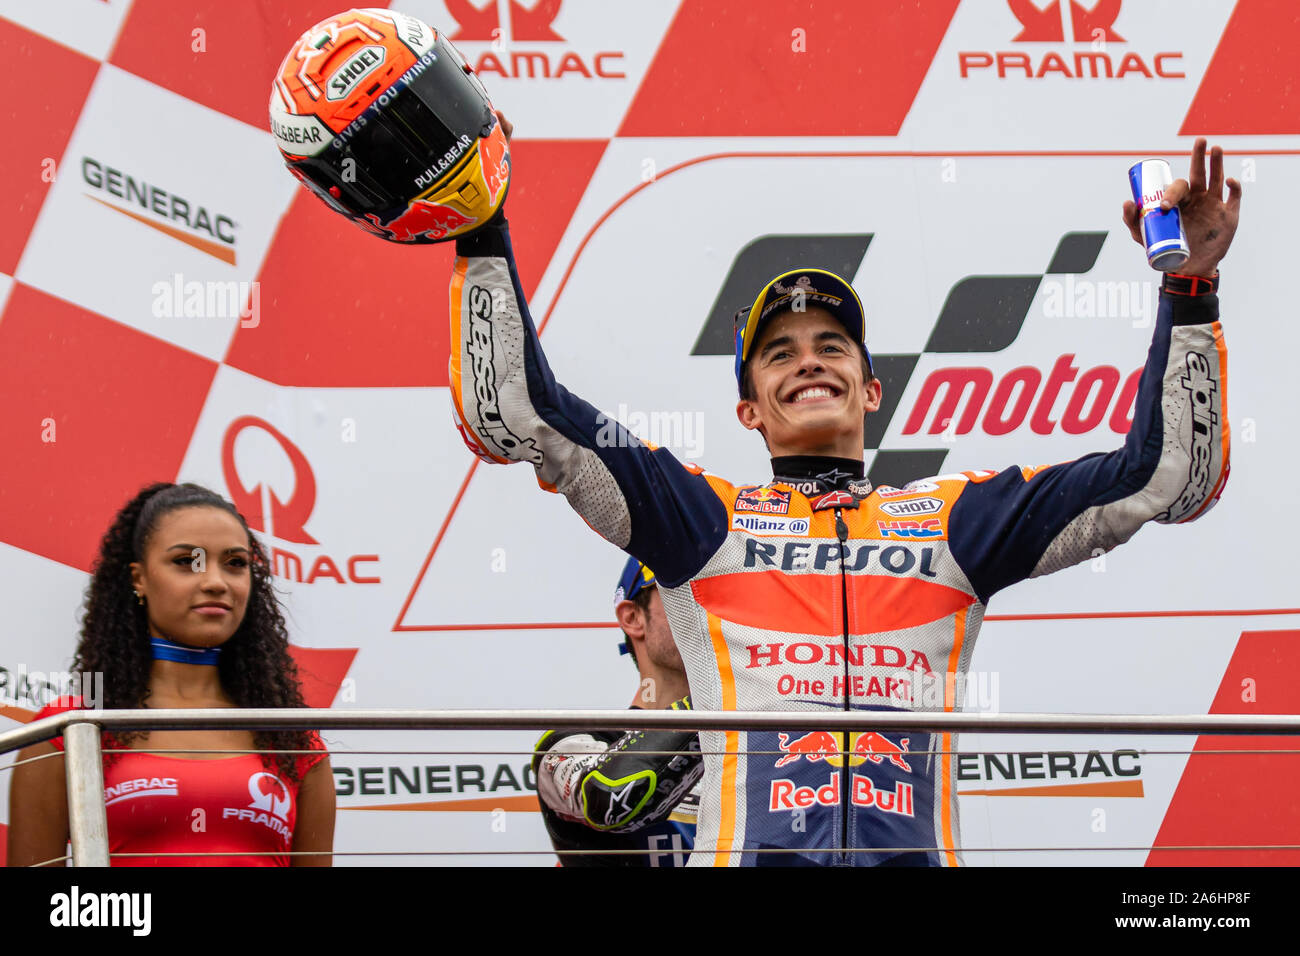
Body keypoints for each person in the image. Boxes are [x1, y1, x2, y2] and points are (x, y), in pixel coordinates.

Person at [449, 122, 1239, 866]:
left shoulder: (957, 521)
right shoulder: (701, 520)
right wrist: (481, 218)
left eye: (832, 346)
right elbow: (517, 412)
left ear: (870, 390)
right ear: (749, 410)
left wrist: (1190, 286)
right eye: (779, 354)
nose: (810, 360)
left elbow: (1169, 477)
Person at [7, 482, 335, 867]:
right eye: (186, 562)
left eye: (235, 563)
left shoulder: (294, 741)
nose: (215, 581)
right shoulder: (70, 731)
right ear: (138, 579)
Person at [532, 557, 703, 867]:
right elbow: (609, 798)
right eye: (687, 593)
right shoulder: (571, 741)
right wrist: (719, 704)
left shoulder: (765, 743)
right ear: (633, 617)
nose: (711, 612)